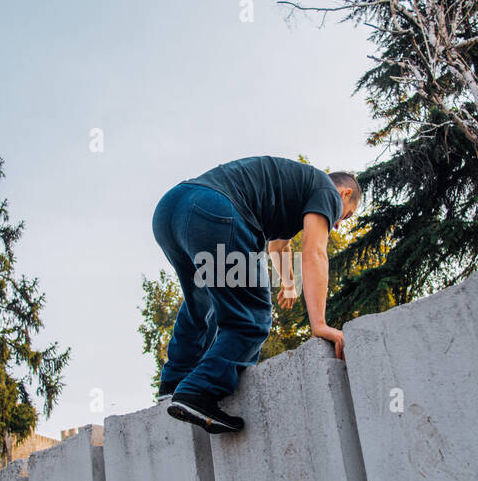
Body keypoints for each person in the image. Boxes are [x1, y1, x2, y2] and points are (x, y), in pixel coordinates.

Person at [150, 156, 361, 434]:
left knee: (201, 303)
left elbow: (278, 247)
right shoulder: (326, 189)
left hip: (172, 210)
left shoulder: (297, 188)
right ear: (345, 194)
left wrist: (288, 283)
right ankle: (198, 391)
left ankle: (174, 383)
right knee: (250, 318)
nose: (336, 225)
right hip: (215, 210)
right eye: (345, 215)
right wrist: (319, 324)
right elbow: (314, 253)